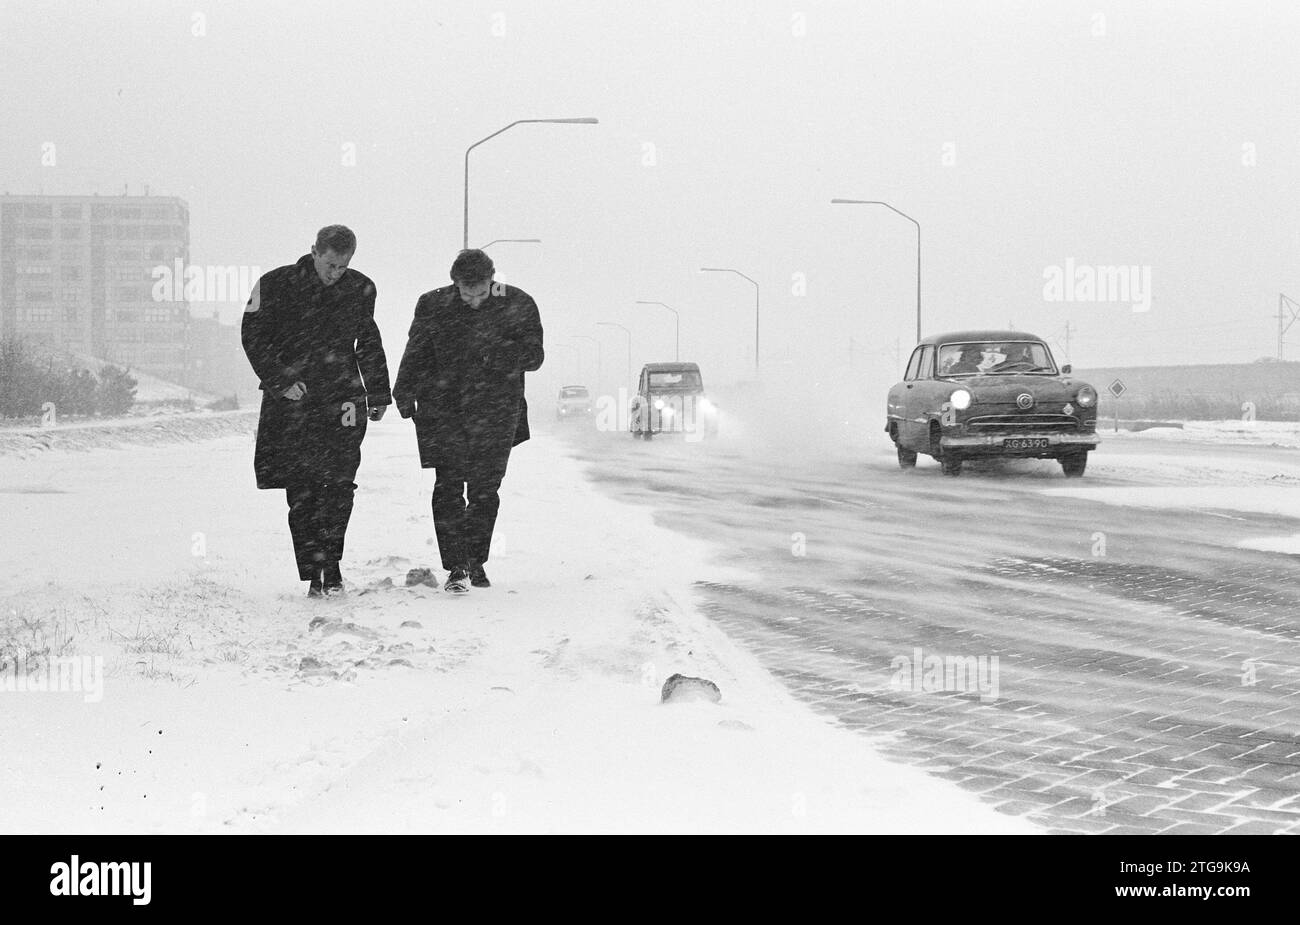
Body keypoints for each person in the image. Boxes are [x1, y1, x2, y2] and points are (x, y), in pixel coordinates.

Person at [241, 225, 391, 597]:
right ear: (314, 251)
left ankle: (333, 566)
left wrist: (378, 394)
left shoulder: (361, 288)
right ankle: (313, 573)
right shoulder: (273, 284)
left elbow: (368, 341)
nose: (335, 273)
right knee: (302, 490)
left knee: (340, 486)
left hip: (343, 400)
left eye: (342, 266)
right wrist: (279, 380)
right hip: (292, 401)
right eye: (329, 264)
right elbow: (252, 335)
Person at [392, 249, 544, 593]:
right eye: (466, 293)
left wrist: (496, 352)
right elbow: (416, 349)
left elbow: (535, 355)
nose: (474, 301)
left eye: (481, 293)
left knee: (485, 490)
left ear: (493, 280)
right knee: (448, 486)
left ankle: (476, 561)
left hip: (497, 411)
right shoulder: (432, 305)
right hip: (443, 407)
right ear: (454, 284)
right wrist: (403, 390)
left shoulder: (518, 303)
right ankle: (455, 566)